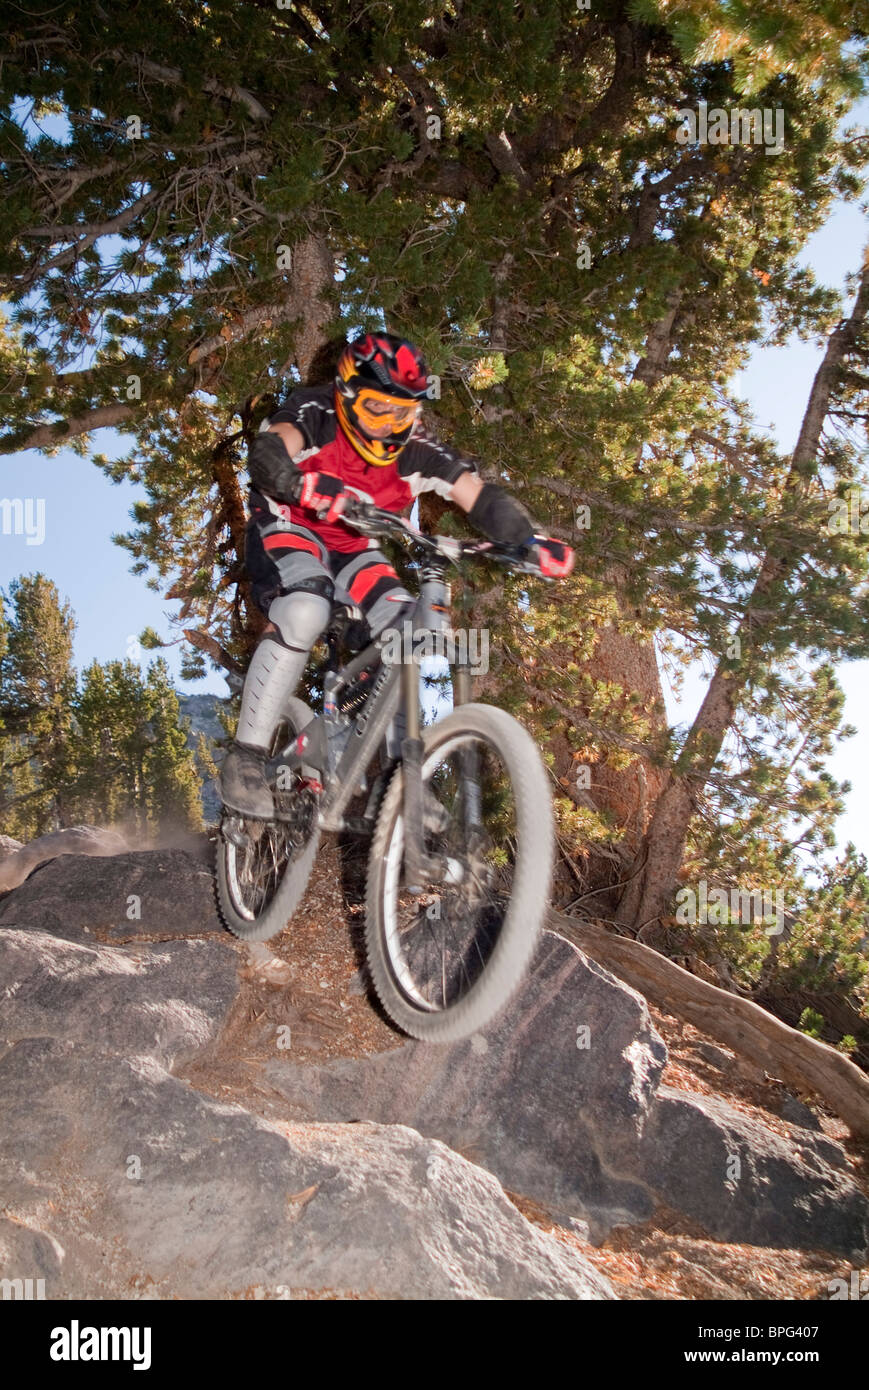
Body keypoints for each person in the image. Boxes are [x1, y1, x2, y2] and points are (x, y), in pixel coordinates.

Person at [220, 331, 574, 818]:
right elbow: (270, 448)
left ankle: (399, 775)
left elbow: (478, 494)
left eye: (402, 413)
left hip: (356, 549)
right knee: (305, 606)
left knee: (409, 631)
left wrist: (529, 540)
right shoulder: (314, 411)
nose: (389, 426)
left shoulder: (418, 449)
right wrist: (292, 480)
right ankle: (247, 759)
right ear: (345, 395)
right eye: (375, 410)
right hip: (287, 526)